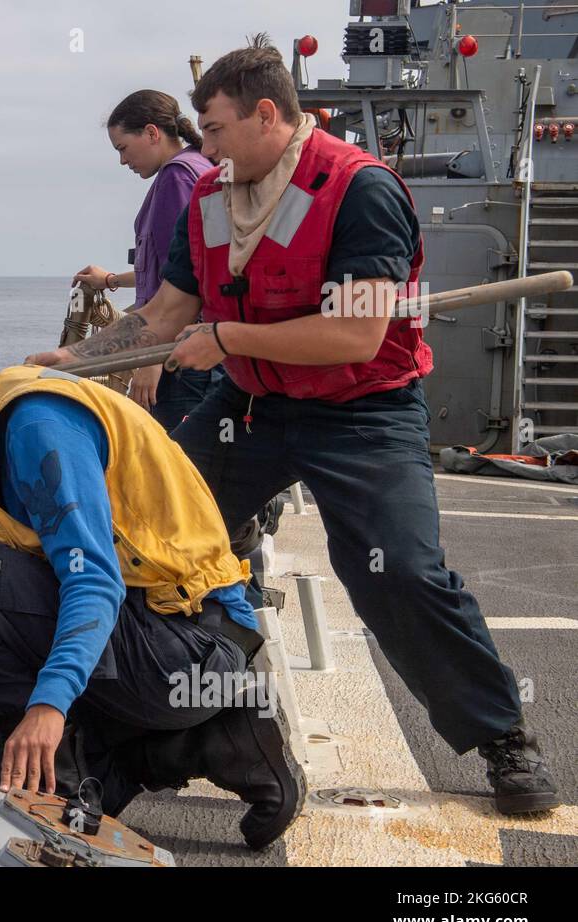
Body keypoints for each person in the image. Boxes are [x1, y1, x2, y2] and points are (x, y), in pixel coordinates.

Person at [28, 36, 557, 815]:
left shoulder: (360, 191)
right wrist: (71, 357)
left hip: (362, 412)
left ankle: (502, 735)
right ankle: (118, 732)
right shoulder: (211, 198)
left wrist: (231, 339)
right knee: (140, 535)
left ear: (266, 114)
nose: (200, 149)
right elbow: (165, 313)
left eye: (211, 130)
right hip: (254, 408)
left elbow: (355, 337)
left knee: (400, 573)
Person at [0, 302, 306, 850]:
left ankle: (75, 750)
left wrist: (49, 707)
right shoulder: (12, 416)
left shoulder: (36, 424)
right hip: (163, 646)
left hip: (190, 645)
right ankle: (210, 741)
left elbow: (93, 578)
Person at [72, 90, 216, 431]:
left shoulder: (176, 178)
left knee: (178, 467)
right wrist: (110, 281)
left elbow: (183, 284)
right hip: (196, 348)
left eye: (123, 148)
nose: (123, 161)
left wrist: (150, 362)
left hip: (180, 360)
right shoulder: (197, 165)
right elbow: (174, 268)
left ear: (152, 133)